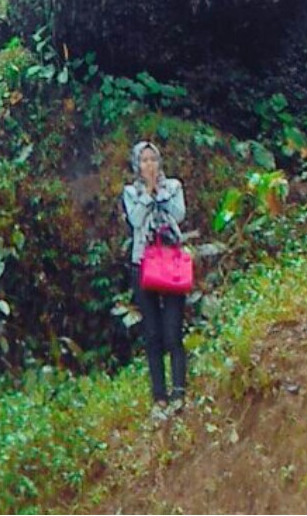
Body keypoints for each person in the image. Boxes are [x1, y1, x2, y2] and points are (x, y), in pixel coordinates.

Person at [122, 140, 187, 414]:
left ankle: (179, 390)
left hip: (170, 262)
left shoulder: (173, 187)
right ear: (137, 165)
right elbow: (135, 220)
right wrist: (148, 192)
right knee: (152, 333)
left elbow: (179, 214)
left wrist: (160, 191)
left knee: (173, 330)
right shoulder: (130, 191)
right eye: (144, 160)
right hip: (144, 263)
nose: (150, 165)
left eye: (153, 160)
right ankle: (159, 394)